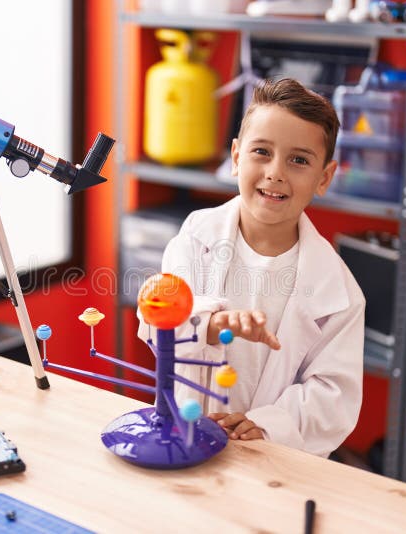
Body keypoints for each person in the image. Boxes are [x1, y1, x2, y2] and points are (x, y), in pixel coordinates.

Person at [137, 78, 364, 458]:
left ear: (324, 177)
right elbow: (157, 319)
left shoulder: (338, 291)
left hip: (273, 459)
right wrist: (212, 325)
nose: (276, 172)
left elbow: (333, 396)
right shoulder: (195, 238)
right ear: (237, 157)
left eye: (299, 160)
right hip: (186, 440)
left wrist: (267, 423)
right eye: (262, 151)